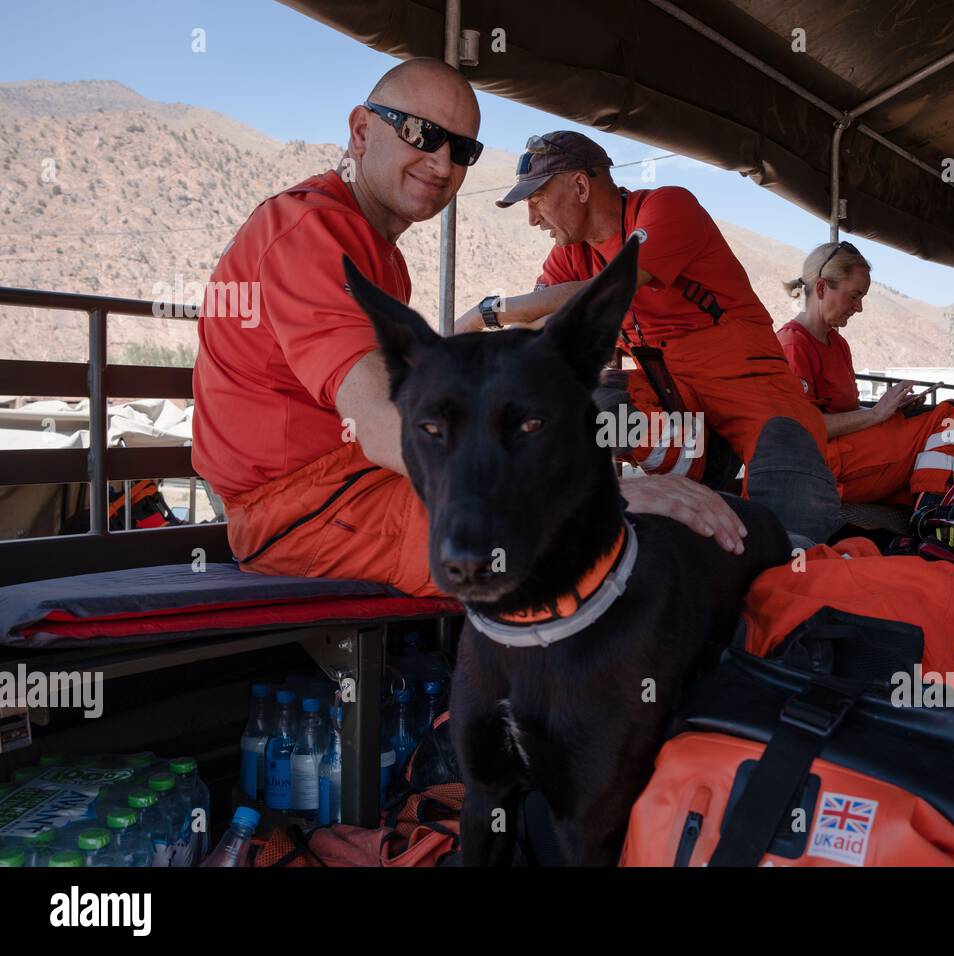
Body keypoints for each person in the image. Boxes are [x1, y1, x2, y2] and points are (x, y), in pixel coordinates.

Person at [192, 61, 750, 597]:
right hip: (307, 510)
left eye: (462, 150)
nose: (441, 164)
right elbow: (384, 424)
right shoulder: (310, 231)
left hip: (362, 483)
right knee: (582, 552)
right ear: (361, 131)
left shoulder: (380, 255)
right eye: (420, 133)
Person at [455, 131, 842, 544]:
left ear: (581, 186)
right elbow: (540, 323)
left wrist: (485, 313)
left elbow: (607, 290)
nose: (533, 219)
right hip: (679, 403)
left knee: (794, 529)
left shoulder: (668, 207)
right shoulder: (569, 254)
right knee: (592, 402)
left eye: (536, 200)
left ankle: (787, 553)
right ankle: (685, 485)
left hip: (751, 388)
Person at [777, 241, 954, 509]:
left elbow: (845, 412)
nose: (858, 307)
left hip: (851, 453)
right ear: (823, 288)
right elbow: (801, 427)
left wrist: (891, 408)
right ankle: (935, 513)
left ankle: (933, 502)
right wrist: (875, 414)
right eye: (854, 295)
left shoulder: (837, 344)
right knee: (950, 417)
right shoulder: (793, 344)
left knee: (938, 429)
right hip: (821, 466)